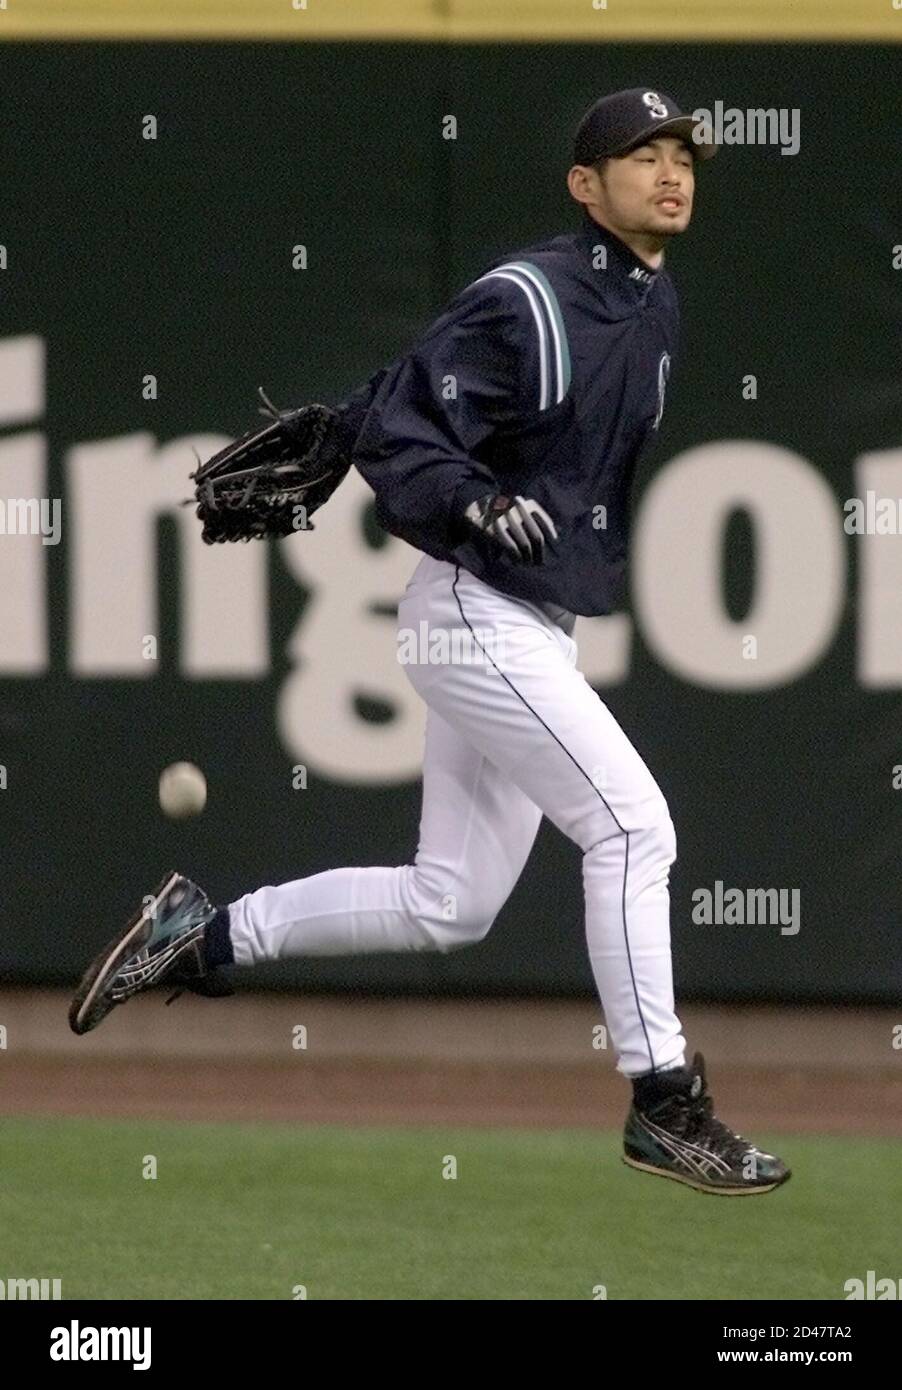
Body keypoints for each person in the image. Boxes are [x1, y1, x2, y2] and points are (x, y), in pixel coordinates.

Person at [70, 88, 790, 1196]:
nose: (669, 170)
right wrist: (459, 496)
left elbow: (413, 396)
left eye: (680, 151)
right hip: (472, 609)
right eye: (638, 154)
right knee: (635, 829)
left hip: (523, 618)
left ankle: (202, 936)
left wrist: (402, 437)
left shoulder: (652, 306)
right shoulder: (529, 294)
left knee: (447, 902)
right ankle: (665, 1102)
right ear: (582, 186)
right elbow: (420, 405)